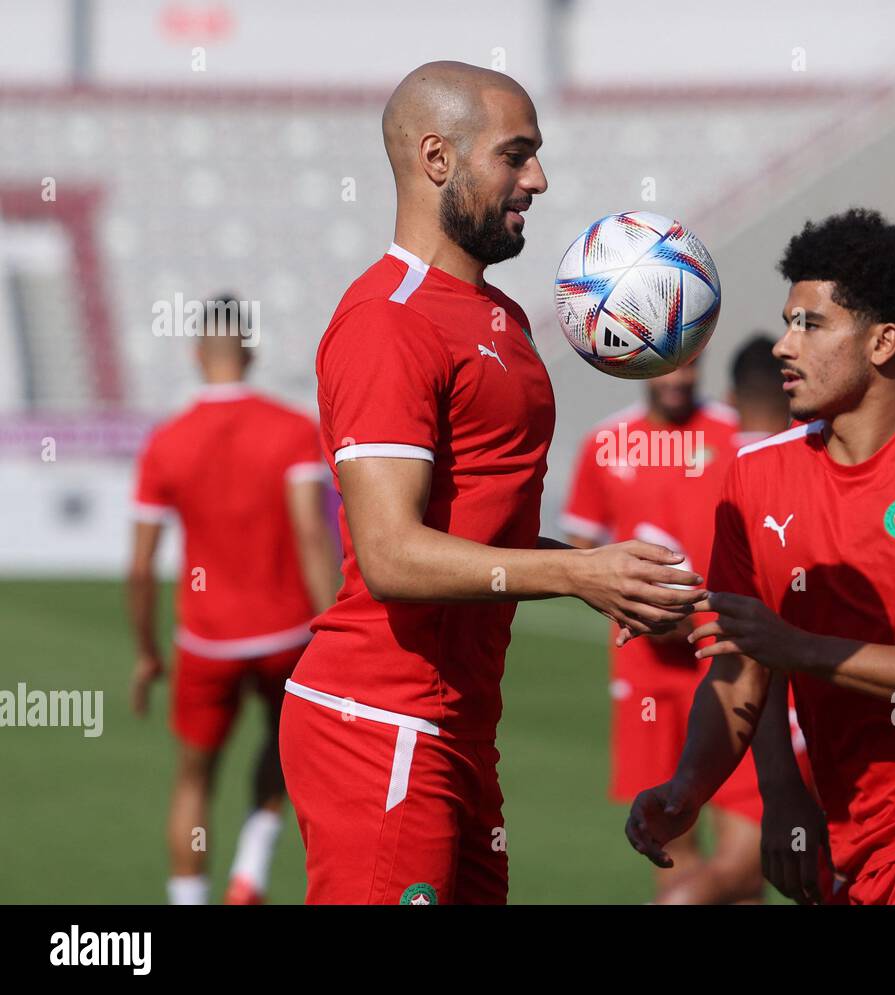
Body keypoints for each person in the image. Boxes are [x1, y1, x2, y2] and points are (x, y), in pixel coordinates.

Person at [277, 61, 700, 905]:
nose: (538, 179)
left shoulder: (502, 317)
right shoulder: (385, 324)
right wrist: (576, 571)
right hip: (381, 724)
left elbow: (482, 535)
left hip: (461, 729)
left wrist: (599, 570)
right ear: (438, 159)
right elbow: (392, 554)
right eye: (517, 155)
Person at [626, 209, 895, 904]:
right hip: (853, 845)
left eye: (810, 324)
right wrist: (718, 788)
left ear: (883, 342)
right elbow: (742, 662)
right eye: (787, 321)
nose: (783, 345)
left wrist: (799, 647)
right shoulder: (754, 475)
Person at [561, 336, 792, 903]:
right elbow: (580, 555)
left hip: (728, 660)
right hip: (645, 675)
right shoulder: (604, 445)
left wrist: (695, 615)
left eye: (690, 363)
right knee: (668, 840)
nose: (680, 378)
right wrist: (637, 604)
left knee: (744, 855)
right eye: (668, 366)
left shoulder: (733, 436)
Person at [128, 294, 338, 905]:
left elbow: (141, 567)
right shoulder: (293, 429)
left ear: (198, 354)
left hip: (206, 640)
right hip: (287, 635)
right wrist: (331, 625)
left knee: (194, 779)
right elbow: (310, 533)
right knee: (281, 749)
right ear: (250, 351)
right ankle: (250, 868)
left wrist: (145, 653)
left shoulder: (167, 440)